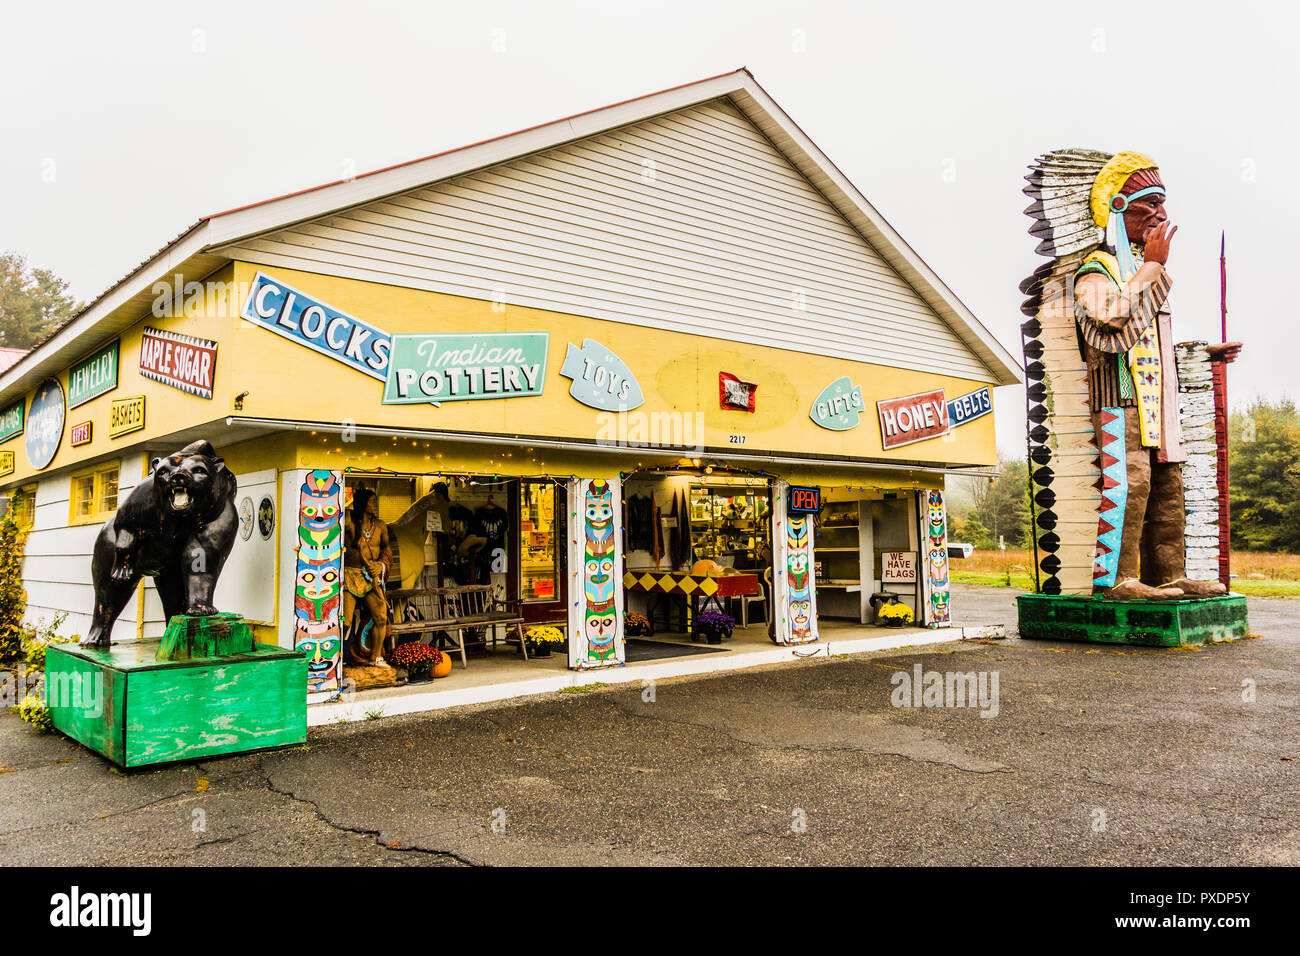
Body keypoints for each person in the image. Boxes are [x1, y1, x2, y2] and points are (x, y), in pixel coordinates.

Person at [1072, 154, 1237, 599]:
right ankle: (1117, 579)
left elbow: (1156, 344)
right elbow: (1108, 319)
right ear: (1120, 206)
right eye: (1151, 204)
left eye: (1163, 204)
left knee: (1168, 489)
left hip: (1157, 403)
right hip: (1119, 399)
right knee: (1131, 482)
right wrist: (1152, 266)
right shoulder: (1096, 269)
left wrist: (1204, 355)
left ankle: (1167, 575)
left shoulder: (1145, 273)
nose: (1161, 215)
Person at [343, 488, 394, 665]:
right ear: (362, 503)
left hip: (370, 578)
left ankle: (375, 658)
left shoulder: (380, 526)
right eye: (372, 502)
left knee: (381, 616)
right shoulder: (349, 520)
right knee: (346, 620)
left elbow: (387, 550)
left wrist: (380, 567)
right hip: (350, 574)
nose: (375, 505)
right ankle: (337, 657)